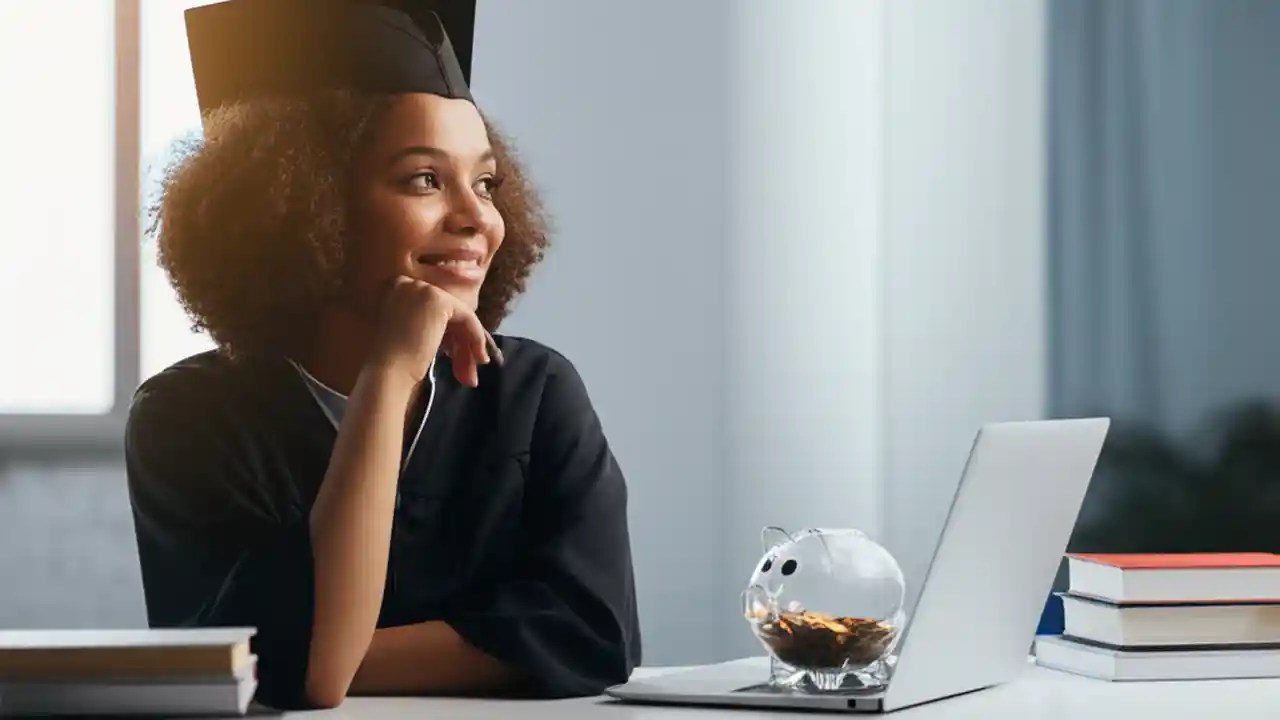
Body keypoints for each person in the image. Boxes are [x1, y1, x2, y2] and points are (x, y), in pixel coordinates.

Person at [124, 0, 641, 710]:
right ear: (305, 205)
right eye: (424, 179)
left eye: (484, 182)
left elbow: (594, 635)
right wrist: (390, 373)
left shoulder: (533, 390)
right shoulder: (189, 419)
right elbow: (309, 677)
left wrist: (337, 648)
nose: (476, 218)